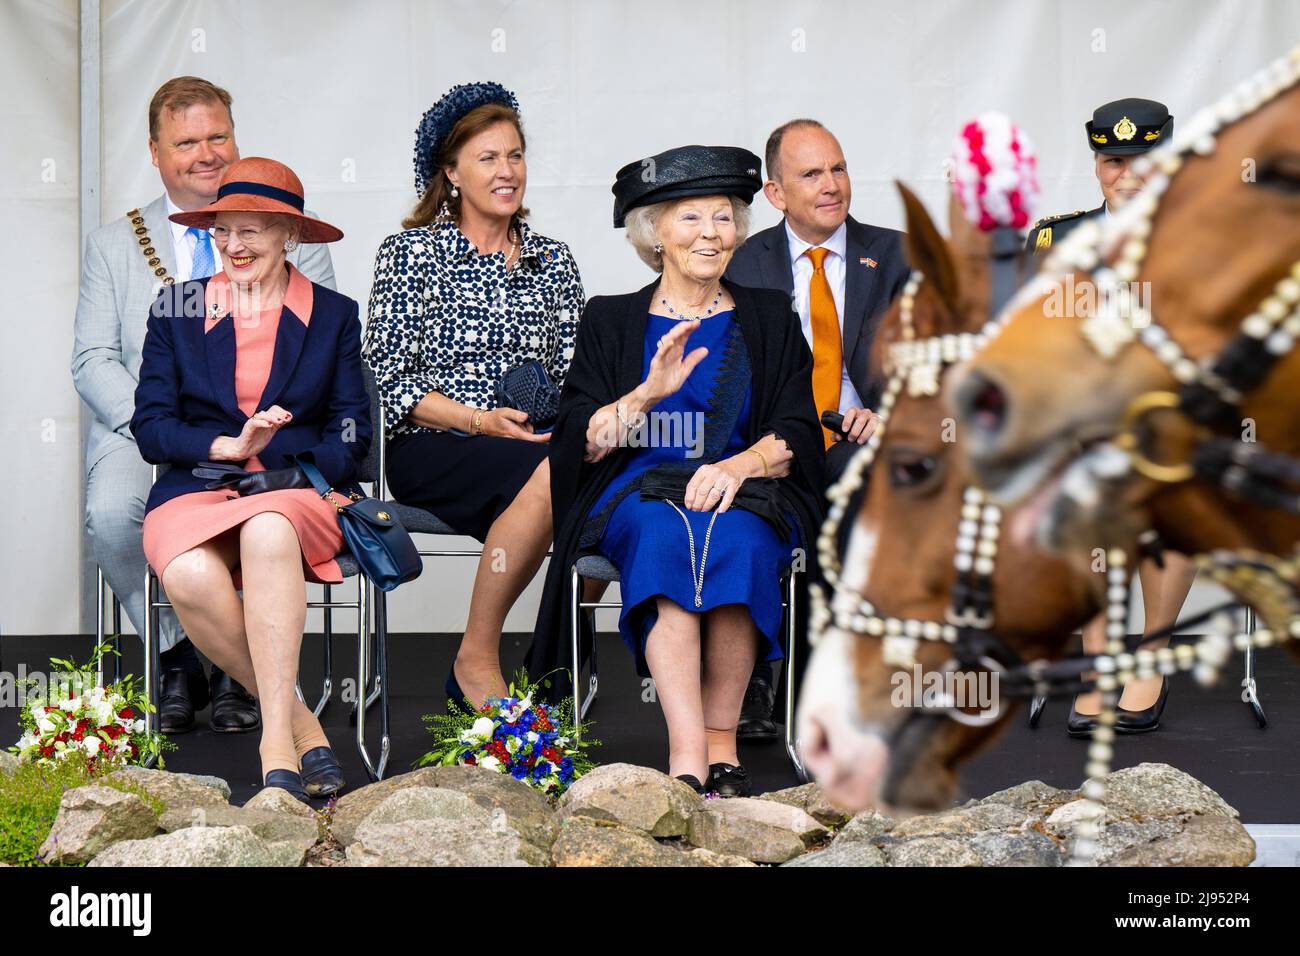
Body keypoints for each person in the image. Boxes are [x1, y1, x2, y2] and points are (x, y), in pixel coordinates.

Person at [525, 145, 826, 797]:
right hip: (637, 491)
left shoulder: (769, 317)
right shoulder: (611, 319)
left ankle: (723, 743)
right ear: (653, 233)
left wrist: (742, 465)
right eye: (690, 218)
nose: (711, 234)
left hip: (744, 490)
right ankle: (687, 750)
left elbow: (798, 432)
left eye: (724, 218)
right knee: (664, 539)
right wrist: (647, 393)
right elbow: (584, 443)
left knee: (741, 543)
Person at [71, 76, 336, 734]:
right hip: (143, 426)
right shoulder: (113, 245)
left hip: (260, 431)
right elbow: (93, 360)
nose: (206, 153)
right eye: (187, 141)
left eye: (218, 136)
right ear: (156, 152)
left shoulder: (294, 234)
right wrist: (160, 430)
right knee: (112, 513)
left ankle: (234, 669)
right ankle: (183, 653)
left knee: (257, 509)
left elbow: (319, 352)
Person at [132, 157, 367, 801]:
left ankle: (271, 746)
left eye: (251, 232)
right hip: (199, 485)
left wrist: (294, 470)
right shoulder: (176, 306)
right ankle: (305, 727)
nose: (233, 246)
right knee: (184, 572)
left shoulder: (333, 314)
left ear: (287, 234)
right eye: (222, 231)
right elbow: (151, 427)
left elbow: (353, 431)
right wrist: (229, 444)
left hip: (297, 488)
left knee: (268, 526)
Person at [362, 82, 585, 710]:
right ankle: (477, 656)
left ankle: (557, 652)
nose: (507, 171)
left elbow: (575, 373)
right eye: (488, 158)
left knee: (600, 475)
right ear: (452, 172)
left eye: (515, 155)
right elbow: (390, 379)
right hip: (436, 443)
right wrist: (479, 421)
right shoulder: (412, 253)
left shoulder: (553, 260)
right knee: (553, 476)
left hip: (532, 439)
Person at [725, 119, 910, 740]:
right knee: (746, 501)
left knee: (862, 477)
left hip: (862, 440)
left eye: (839, 168)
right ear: (775, 194)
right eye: (811, 174)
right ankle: (753, 673)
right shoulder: (740, 265)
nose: (832, 185)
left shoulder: (898, 257)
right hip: (773, 444)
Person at [1027, 97, 1192, 734]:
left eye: (1141, 160)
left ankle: (1150, 652)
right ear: (1097, 164)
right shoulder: (1056, 238)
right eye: (1112, 160)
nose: (1126, 174)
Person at [1024, 97, 1173, 254]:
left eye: (1143, 161)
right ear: (1097, 168)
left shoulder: (1197, 237)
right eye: (1115, 161)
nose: (1129, 175)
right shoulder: (1055, 241)